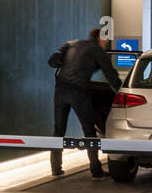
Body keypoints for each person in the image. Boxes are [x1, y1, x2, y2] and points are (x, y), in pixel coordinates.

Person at [49, 27, 122, 178]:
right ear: (100, 38)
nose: (107, 42)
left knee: (58, 131)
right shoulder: (97, 51)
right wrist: (121, 93)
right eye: (106, 39)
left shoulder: (70, 44)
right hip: (79, 92)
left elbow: (52, 61)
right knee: (89, 131)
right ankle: (96, 170)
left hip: (60, 91)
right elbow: (111, 75)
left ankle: (55, 169)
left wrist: (65, 66)